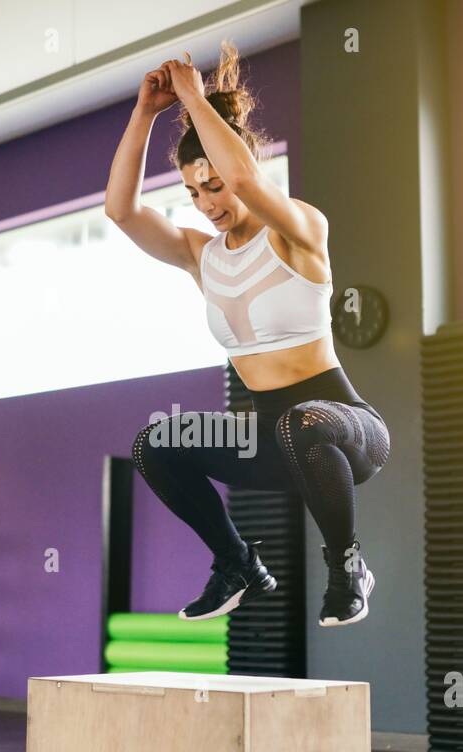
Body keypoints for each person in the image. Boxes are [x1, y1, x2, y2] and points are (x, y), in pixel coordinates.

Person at [104, 42, 390, 627]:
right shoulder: (200, 257)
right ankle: (237, 565)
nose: (206, 203)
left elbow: (245, 176)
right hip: (268, 440)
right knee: (154, 443)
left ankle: (348, 566)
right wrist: (145, 111)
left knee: (301, 420)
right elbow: (121, 211)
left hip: (343, 425)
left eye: (214, 187)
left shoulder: (299, 230)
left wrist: (191, 94)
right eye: (192, 193)